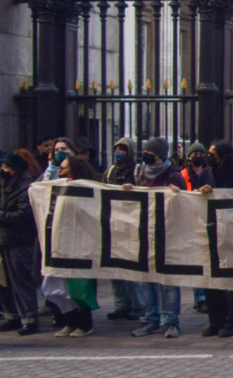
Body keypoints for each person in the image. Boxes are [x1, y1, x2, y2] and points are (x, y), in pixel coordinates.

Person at [128, 138, 185, 339]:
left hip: (168, 233)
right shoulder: (140, 173)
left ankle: (170, 321)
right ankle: (150, 319)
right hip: (145, 231)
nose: (145, 153)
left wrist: (178, 195)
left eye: (149, 151)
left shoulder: (174, 176)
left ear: (160, 154)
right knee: (146, 279)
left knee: (168, 280)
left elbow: (185, 204)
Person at [198, 140, 233, 338]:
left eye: (213, 153)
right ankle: (215, 320)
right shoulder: (205, 174)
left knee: (231, 281)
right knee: (211, 279)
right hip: (210, 228)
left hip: (231, 231)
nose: (210, 156)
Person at [46, 156, 99, 337]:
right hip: (63, 240)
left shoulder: (87, 187)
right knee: (61, 286)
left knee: (80, 285)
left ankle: (84, 324)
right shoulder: (59, 185)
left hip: (82, 242)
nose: (60, 171)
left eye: (64, 168)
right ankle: (70, 320)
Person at [0, 152, 43, 335]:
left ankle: (29, 318)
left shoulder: (26, 187)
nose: (4, 171)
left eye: (7, 167)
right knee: (6, 281)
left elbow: (23, 214)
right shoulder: (7, 186)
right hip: (6, 239)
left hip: (20, 240)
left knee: (21, 279)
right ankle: (12, 315)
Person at [103, 137, 143, 321]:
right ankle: (121, 305)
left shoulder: (137, 170)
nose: (119, 152)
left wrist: (133, 189)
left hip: (131, 222)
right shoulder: (111, 170)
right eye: (117, 148)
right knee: (115, 267)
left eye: (123, 149)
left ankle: (138, 305)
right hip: (114, 222)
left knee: (133, 267)